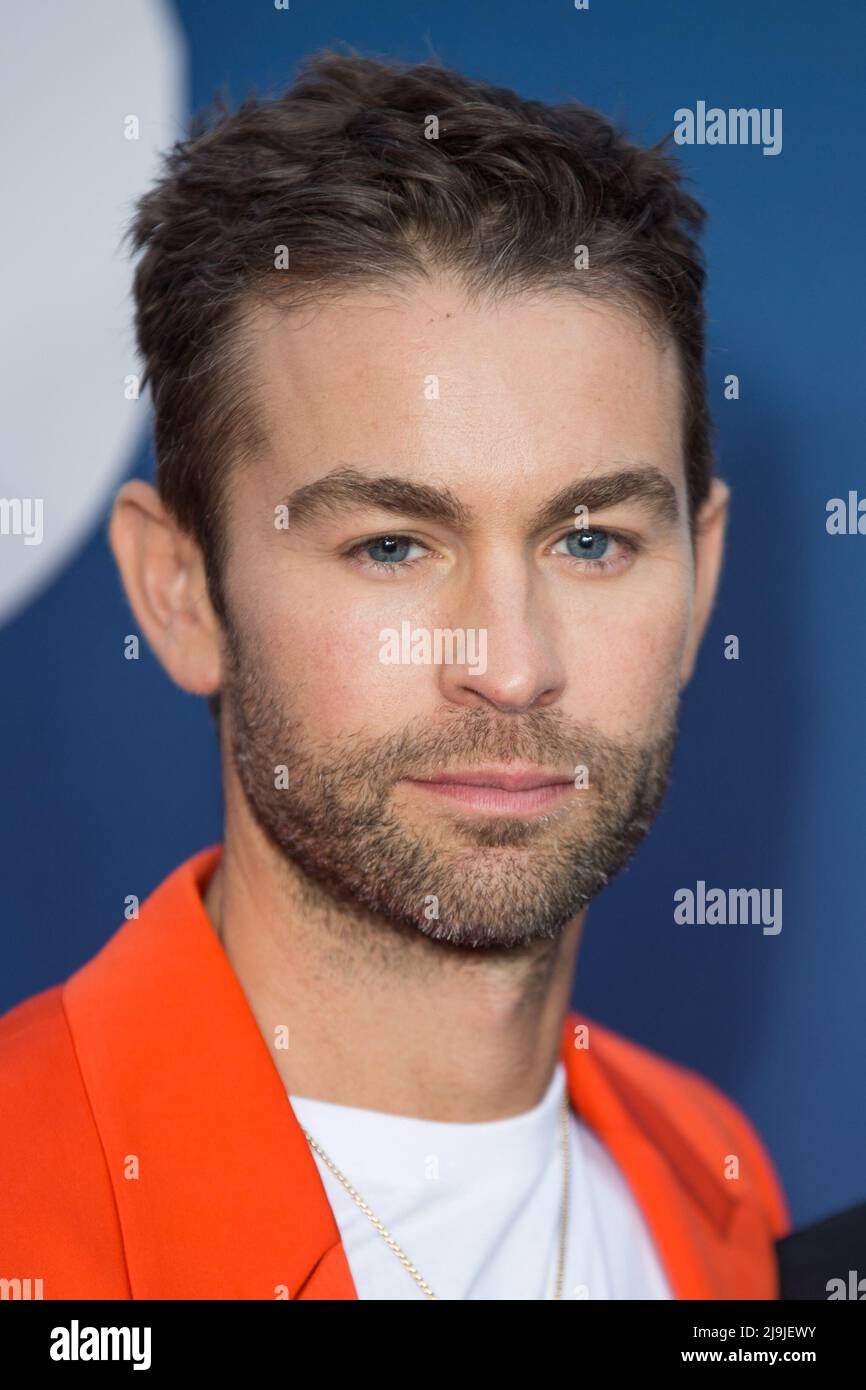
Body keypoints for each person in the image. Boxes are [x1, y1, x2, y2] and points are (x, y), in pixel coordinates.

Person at [0, 50, 789, 1300]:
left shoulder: (718, 1185)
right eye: (390, 545)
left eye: (589, 540)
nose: (511, 668)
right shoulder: (23, 1196)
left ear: (698, 573)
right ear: (181, 590)